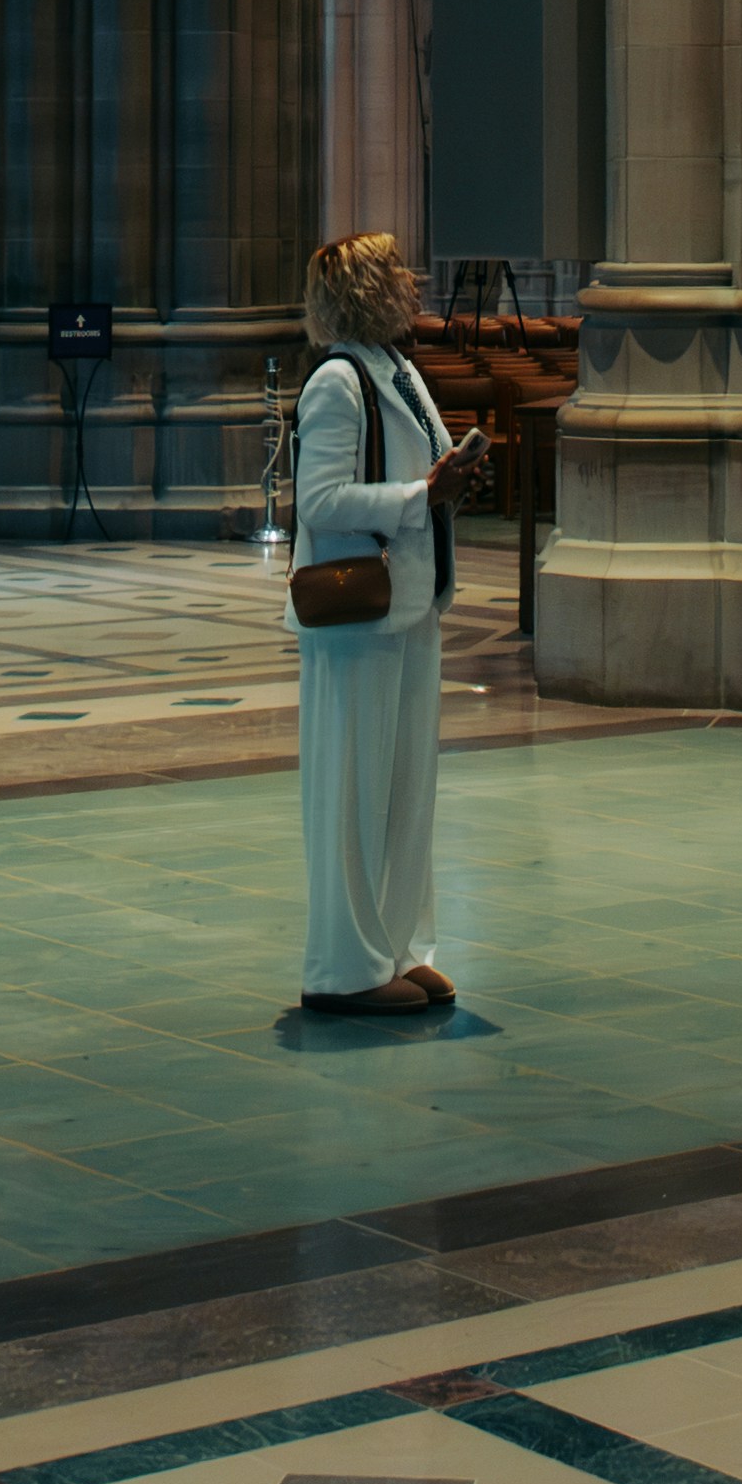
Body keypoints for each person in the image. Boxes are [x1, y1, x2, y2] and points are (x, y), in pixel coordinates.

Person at [293, 230, 494, 1017]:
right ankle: (342, 968)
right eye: (397, 273)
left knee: (406, 789)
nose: (414, 282)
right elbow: (320, 501)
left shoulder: (400, 370)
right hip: (356, 617)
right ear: (366, 289)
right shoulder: (337, 382)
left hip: (410, 606)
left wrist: (451, 480)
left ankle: (400, 947)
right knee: (354, 791)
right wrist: (420, 498)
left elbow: (423, 470)